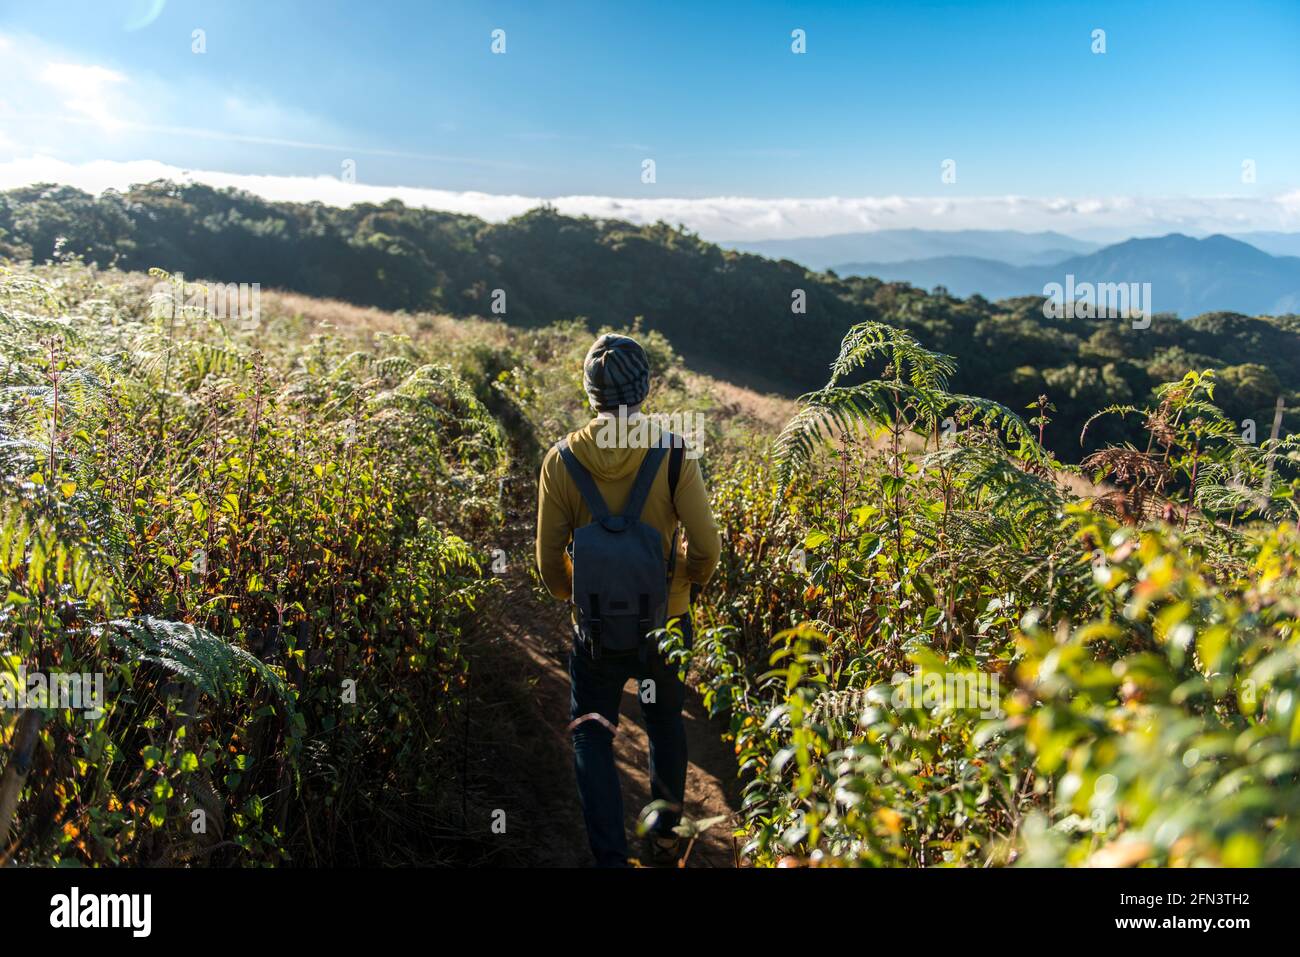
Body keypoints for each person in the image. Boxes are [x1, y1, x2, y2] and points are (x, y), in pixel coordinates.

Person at [535, 333, 721, 867]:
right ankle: (663, 839)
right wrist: (685, 582)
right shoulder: (672, 452)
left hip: (595, 629)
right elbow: (707, 546)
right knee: (664, 722)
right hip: (665, 620)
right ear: (646, 389)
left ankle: (610, 858)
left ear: (589, 392)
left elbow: (549, 565)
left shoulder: (560, 460)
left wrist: (582, 595)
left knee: (592, 732)